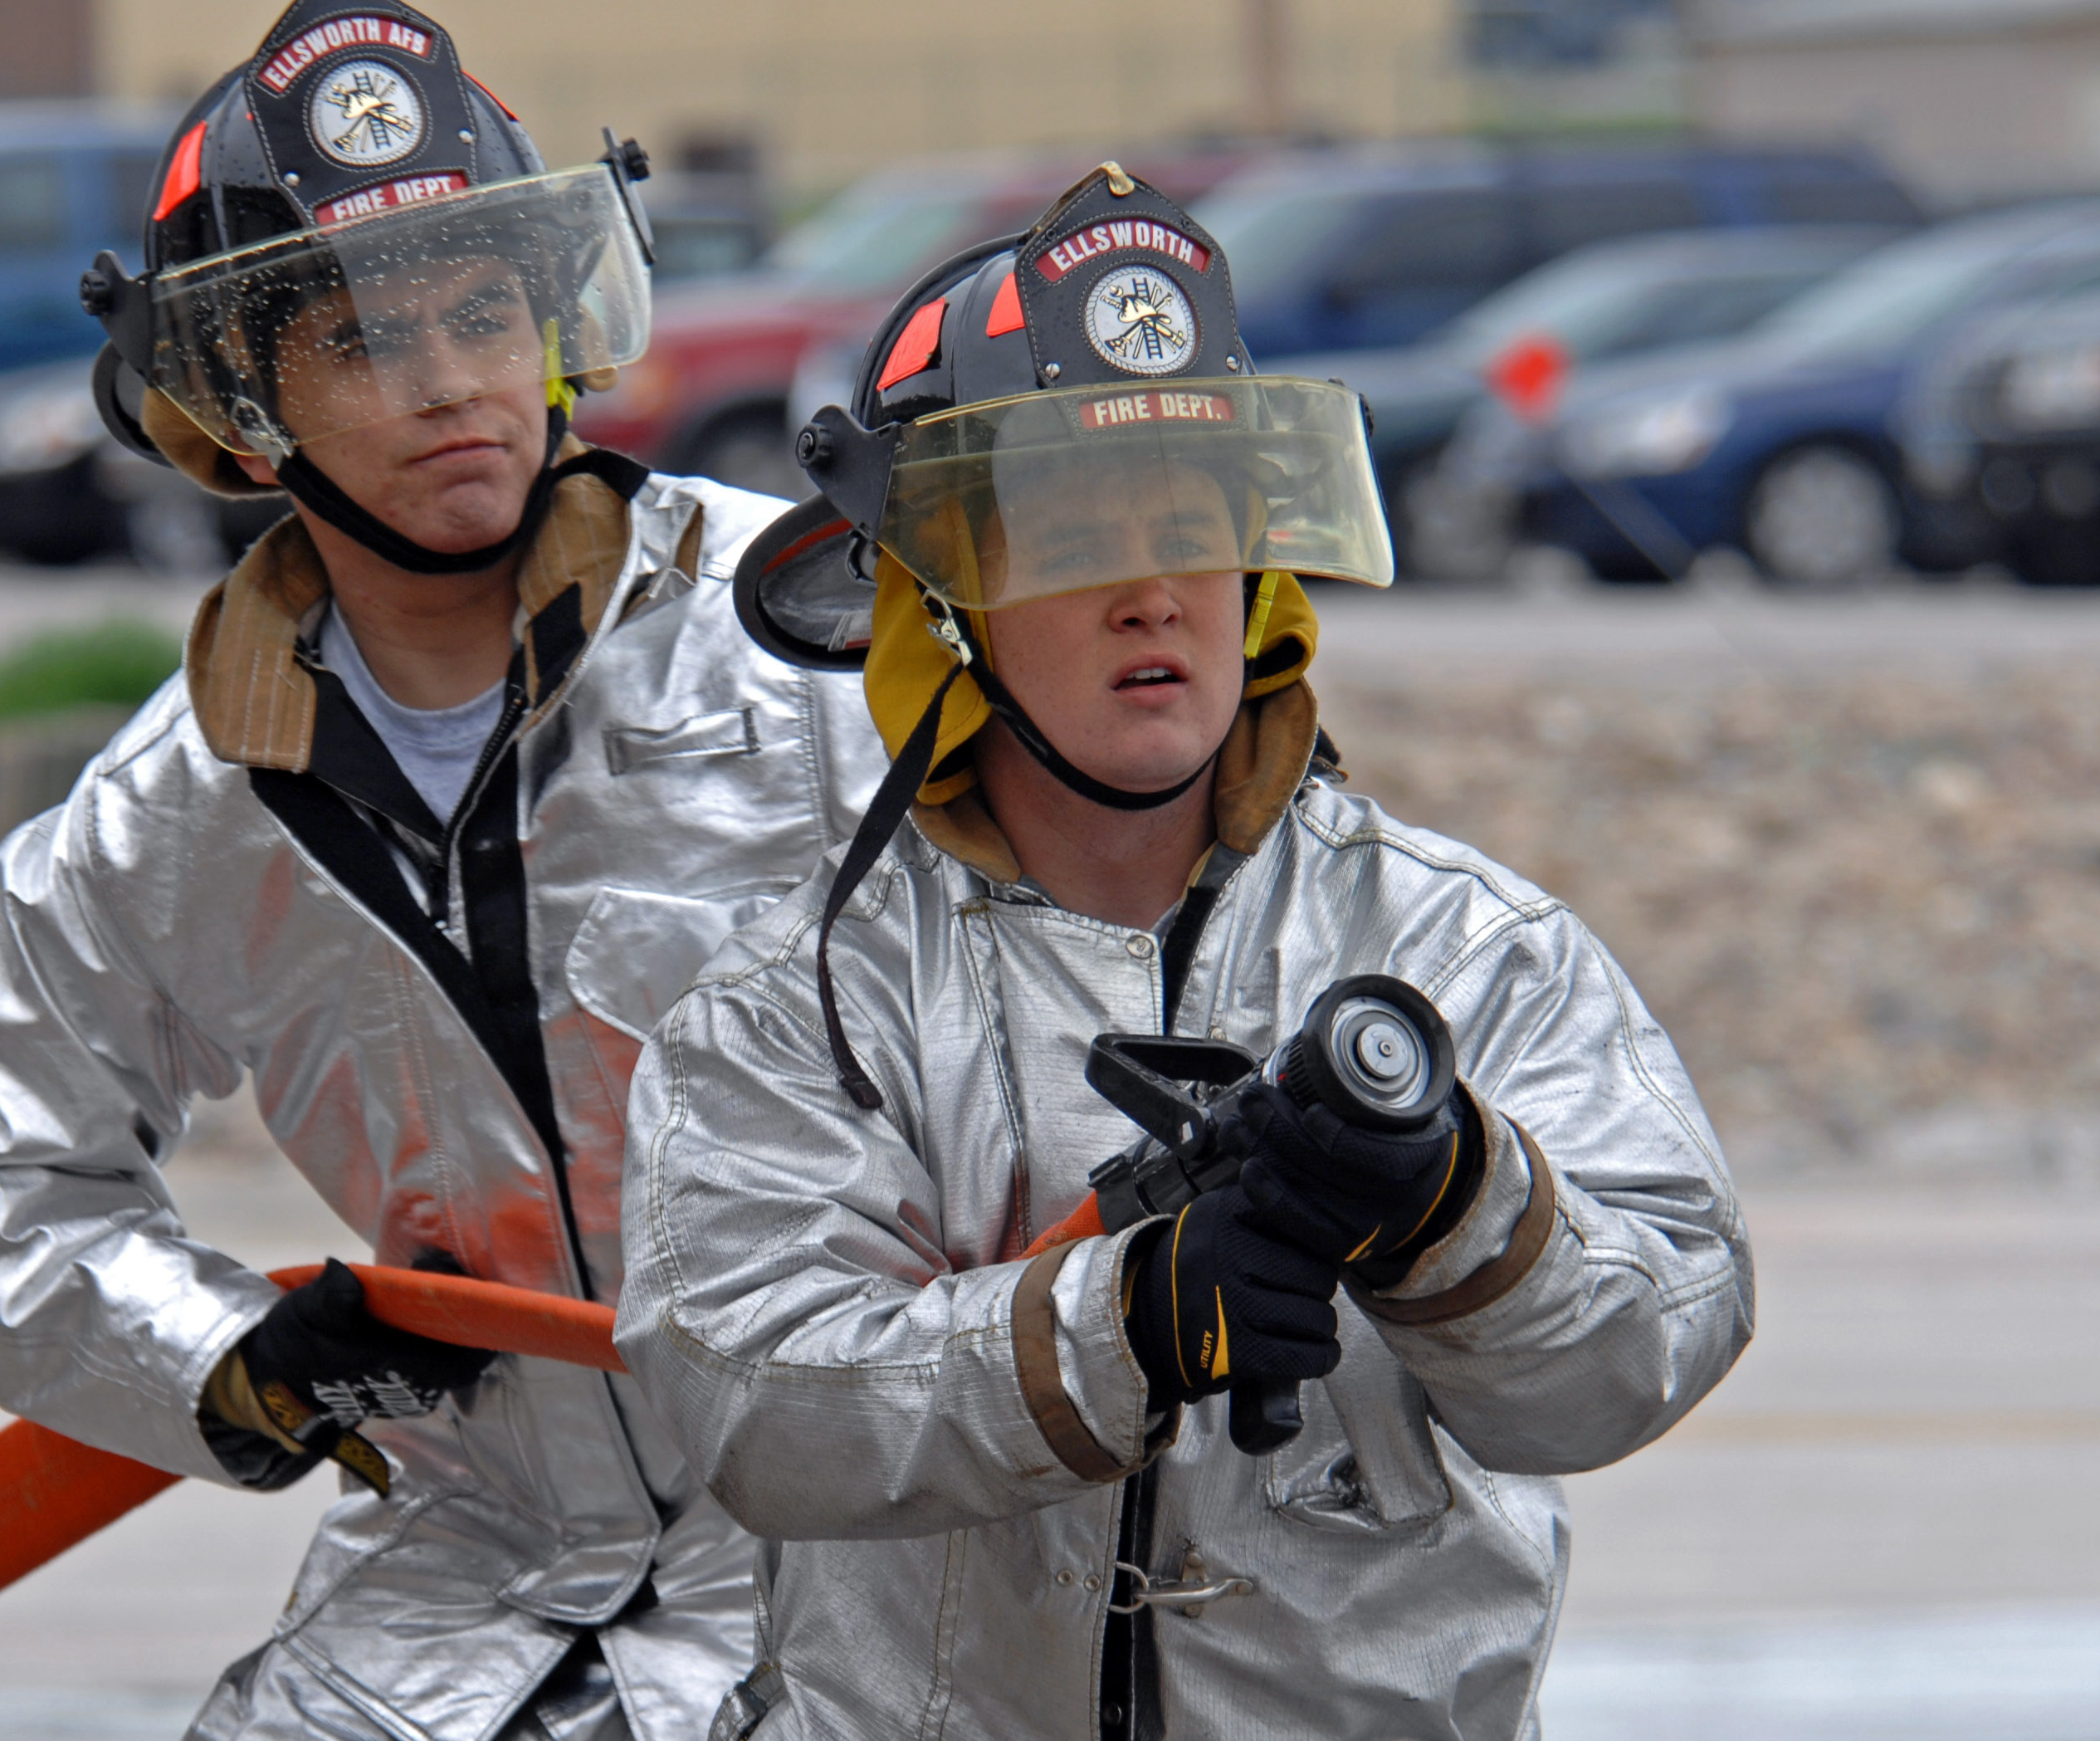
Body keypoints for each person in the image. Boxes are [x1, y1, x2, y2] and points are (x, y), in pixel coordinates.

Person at [0, 0, 878, 1739]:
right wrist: (226, 1360)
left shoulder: (814, 640)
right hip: (485, 1559)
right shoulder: (178, 807)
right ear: (234, 405)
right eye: (360, 340)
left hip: (881, 1531)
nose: (451, 386)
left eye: (483, 312)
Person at [614, 165, 1753, 1739]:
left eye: (1196, 521)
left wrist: (1457, 1207)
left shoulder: (1467, 950)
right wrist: (1125, 1327)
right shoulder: (797, 1007)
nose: (1155, 591)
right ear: (938, 598)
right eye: (1076, 531)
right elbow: (745, 1399)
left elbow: (1647, 1350)